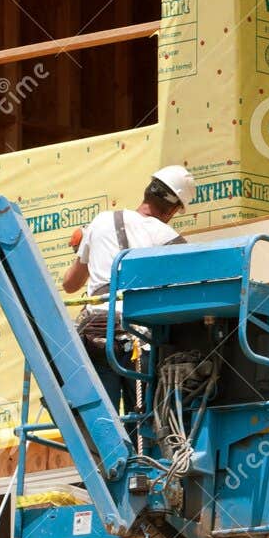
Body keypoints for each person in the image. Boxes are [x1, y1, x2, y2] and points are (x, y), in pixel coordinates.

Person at [63, 165, 196, 413]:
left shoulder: (101, 221)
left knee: (105, 420)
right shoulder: (167, 237)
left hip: (95, 332)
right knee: (143, 424)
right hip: (138, 337)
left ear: (147, 192)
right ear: (172, 209)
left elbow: (70, 284)